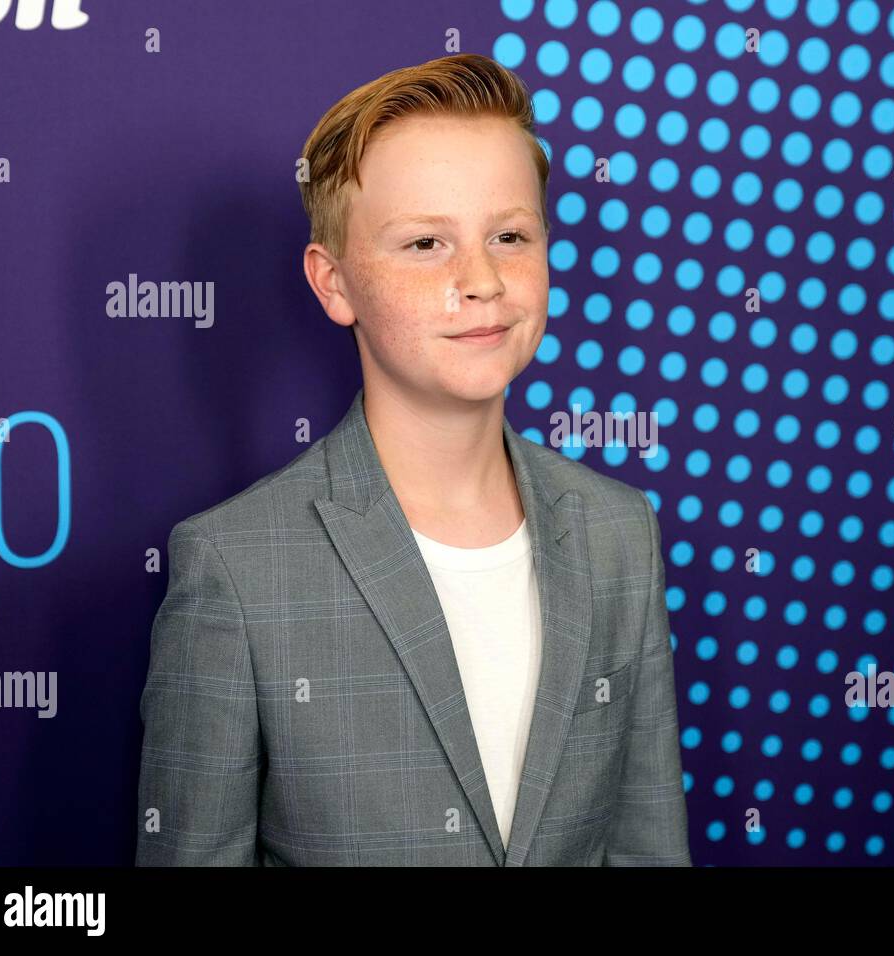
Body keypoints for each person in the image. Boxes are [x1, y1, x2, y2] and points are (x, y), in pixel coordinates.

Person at [135, 53, 691, 866]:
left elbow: (648, 848)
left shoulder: (618, 532)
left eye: (510, 235)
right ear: (334, 285)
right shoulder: (236, 567)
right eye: (426, 243)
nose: (481, 280)